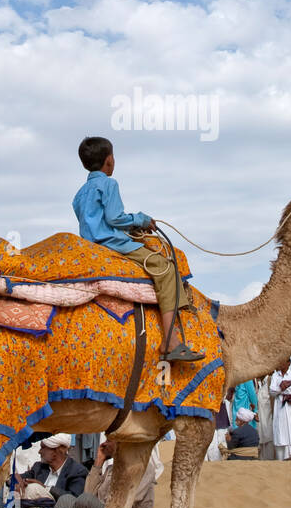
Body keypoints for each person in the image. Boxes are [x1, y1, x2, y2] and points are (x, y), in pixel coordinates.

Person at [70, 136, 202, 363]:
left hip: (91, 247)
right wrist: (140, 220)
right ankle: (171, 341)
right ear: (109, 160)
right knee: (166, 269)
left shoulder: (79, 194)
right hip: (114, 244)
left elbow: (95, 221)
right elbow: (114, 218)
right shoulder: (109, 184)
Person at [255, 375, 275, 460]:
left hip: (269, 423)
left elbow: (273, 401)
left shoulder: (270, 382)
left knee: (270, 452)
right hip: (261, 425)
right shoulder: (261, 386)